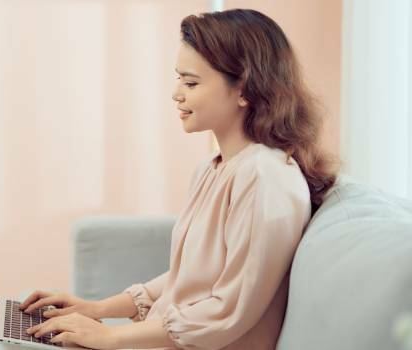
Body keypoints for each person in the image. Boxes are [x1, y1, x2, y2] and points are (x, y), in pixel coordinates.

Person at [20, 8, 338, 350]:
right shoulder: (214, 167)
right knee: (7, 334)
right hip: (171, 342)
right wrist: (96, 308)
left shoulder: (265, 179)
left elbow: (229, 312)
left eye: (191, 82)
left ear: (244, 90)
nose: (176, 93)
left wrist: (110, 336)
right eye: (179, 79)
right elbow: (188, 278)